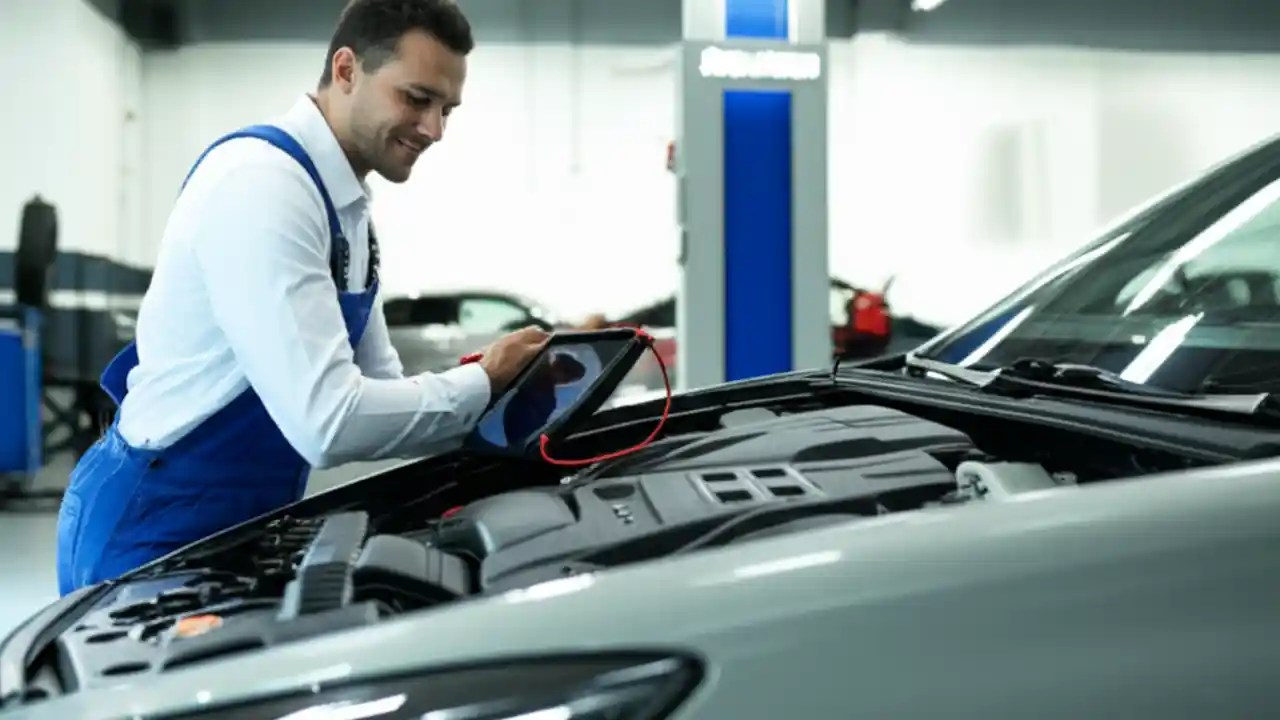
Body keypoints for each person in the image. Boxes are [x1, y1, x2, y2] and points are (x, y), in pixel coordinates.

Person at [54, 0, 548, 596]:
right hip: (153, 519)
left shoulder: (350, 214)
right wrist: (481, 381)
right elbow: (329, 423)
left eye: (447, 109)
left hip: (236, 520)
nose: (434, 129)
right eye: (417, 98)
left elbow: (383, 396)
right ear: (347, 70)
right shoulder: (263, 186)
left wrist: (525, 406)